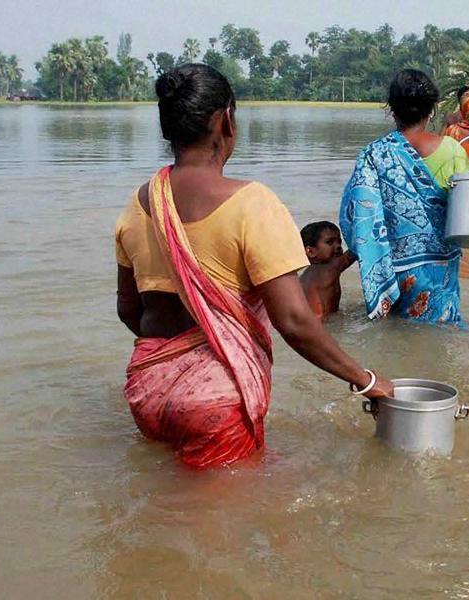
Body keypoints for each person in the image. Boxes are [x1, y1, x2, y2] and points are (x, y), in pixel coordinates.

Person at [115, 64, 393, 468]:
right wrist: (368, 380)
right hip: (214, 402)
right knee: (225, 524)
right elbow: (295, 322)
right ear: (225, 120)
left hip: (147, 388)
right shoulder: (252, 203)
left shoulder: (137, 204)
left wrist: (174, 362)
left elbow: (129, 311)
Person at [339, 69, 469, 324]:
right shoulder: (453, 151)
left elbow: (354, 216)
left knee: (395, 327)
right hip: (439, 268)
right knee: (442, 327)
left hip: (392, 270)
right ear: (431, 109)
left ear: (392, 109)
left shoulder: (373, 154)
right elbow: (465, 215)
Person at [299, 221, 356, 320]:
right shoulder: (327, 270)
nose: (338, 246)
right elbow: (355, 250)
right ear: (311, 251)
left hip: (311, 325)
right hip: (325, 326)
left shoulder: (305, 276)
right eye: (329, 242)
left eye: (339, 242)